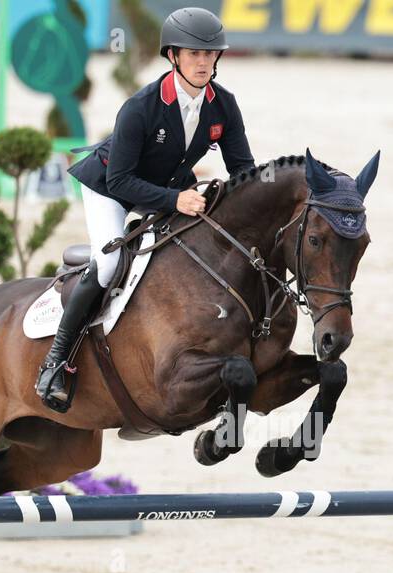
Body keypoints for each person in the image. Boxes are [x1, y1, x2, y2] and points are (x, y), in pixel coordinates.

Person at [35, 6, 257, 410]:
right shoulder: (141, 107)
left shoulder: (223, 105)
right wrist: (177, 200)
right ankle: (56, 361)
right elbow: (121, 180)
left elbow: (244, 171)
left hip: (170, 186)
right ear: (173, 56)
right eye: (194, 54)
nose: (204, 62)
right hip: (111, 188)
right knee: (108, 264)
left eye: (210, 55)